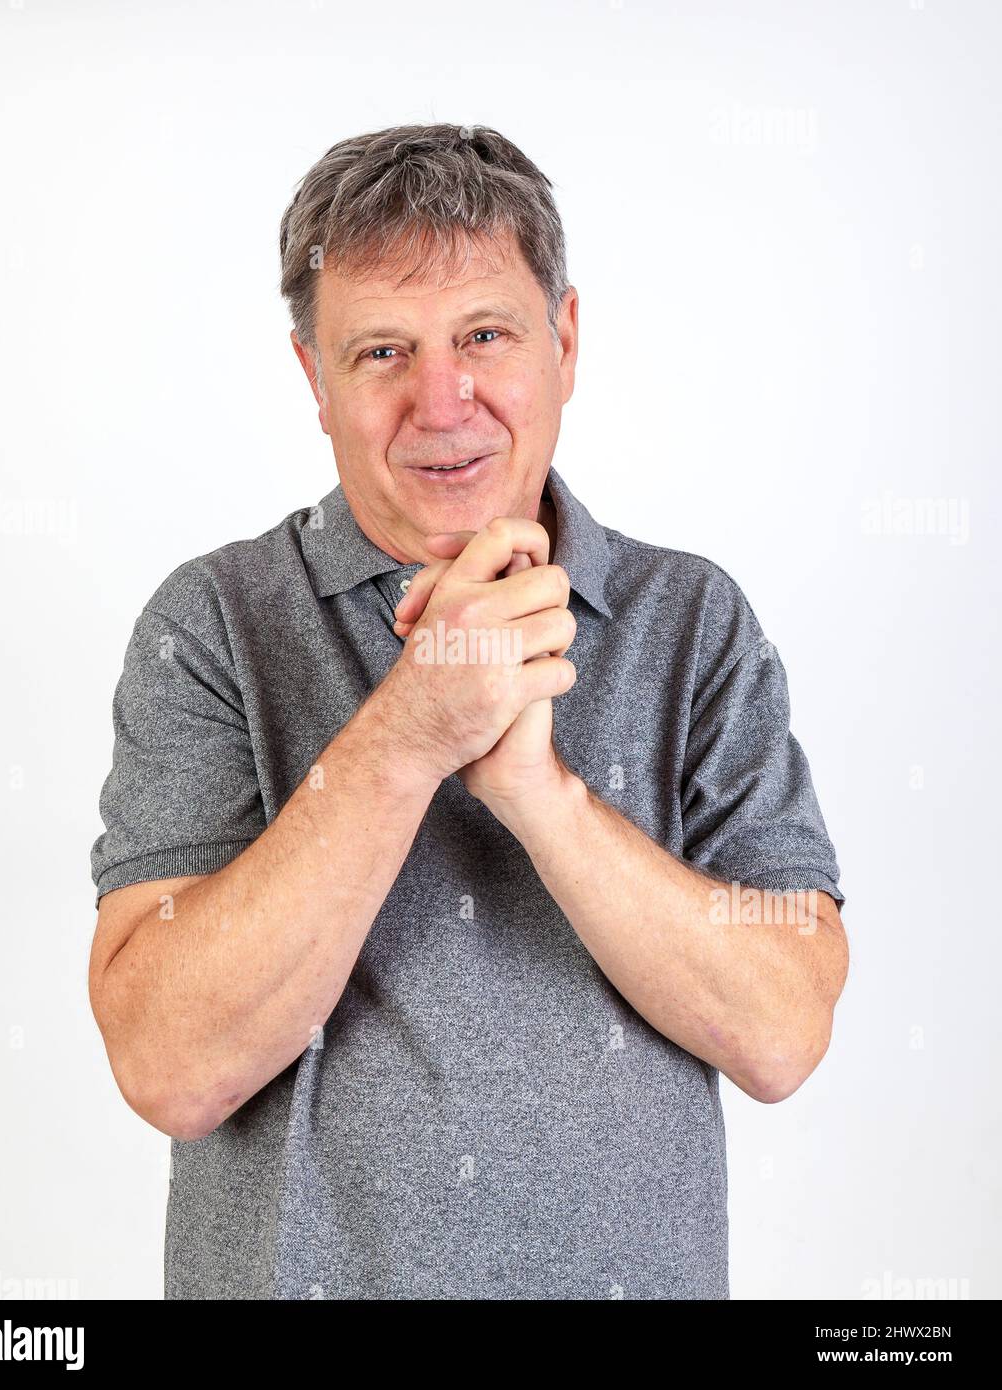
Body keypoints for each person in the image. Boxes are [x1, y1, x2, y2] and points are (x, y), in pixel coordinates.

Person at [88, 123, 848, 1300]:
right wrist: (410, 732)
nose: (440, 401)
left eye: (483, 335)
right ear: (313, 380)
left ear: (566, 339)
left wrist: (541, 797)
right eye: (382, 350)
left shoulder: (693, 620)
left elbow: (783, 1029)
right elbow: (168, 1064)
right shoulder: (212, 621)